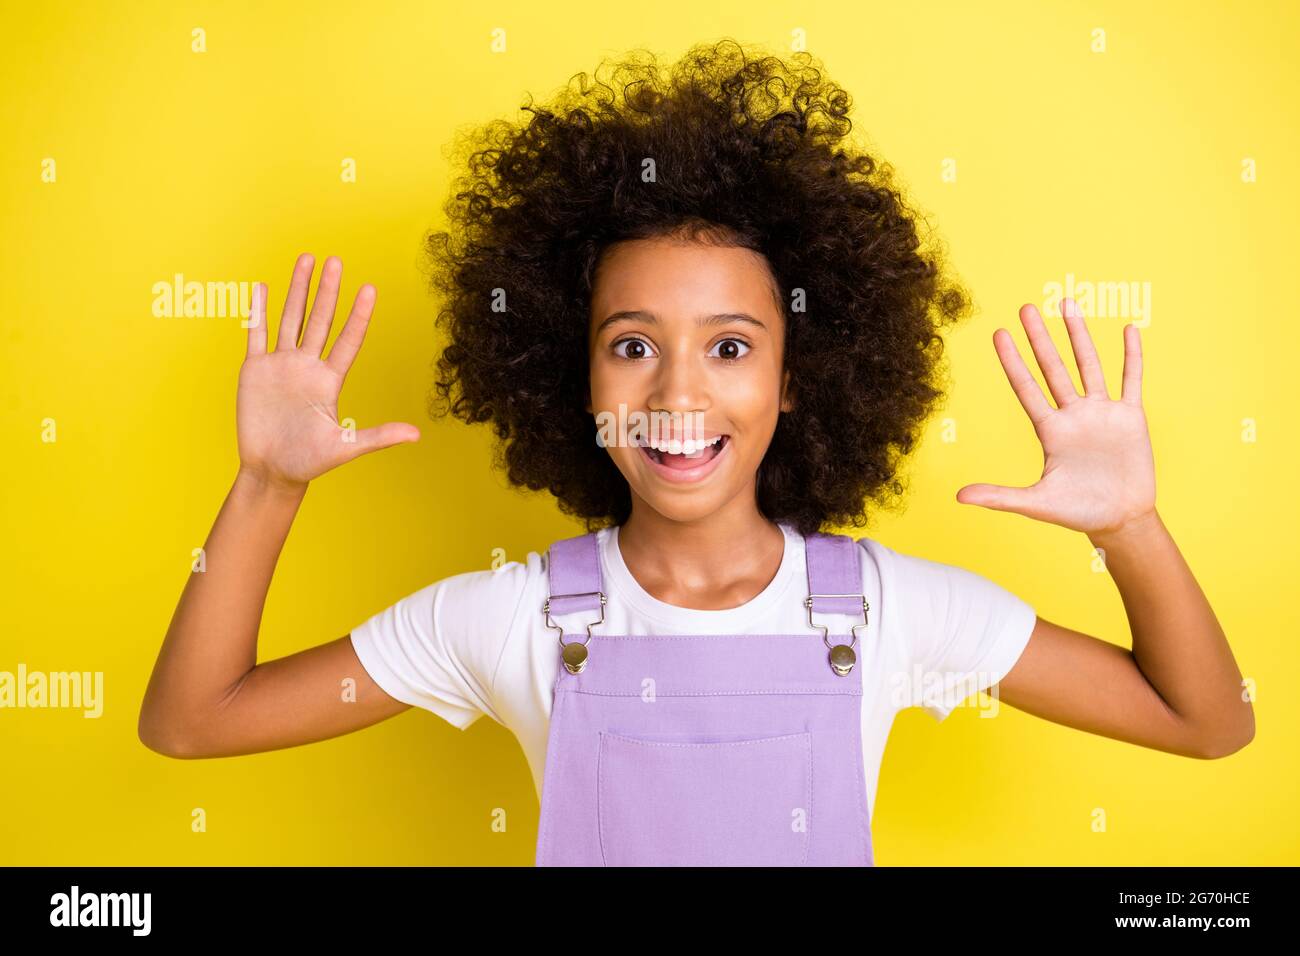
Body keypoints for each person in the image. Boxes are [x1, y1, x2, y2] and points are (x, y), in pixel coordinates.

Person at [139, 39, 1254, 866]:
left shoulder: (885, 610)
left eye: (729, 345)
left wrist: (1129, 529)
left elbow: (1205, 720)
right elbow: (192, 721)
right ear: (570, 375)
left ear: (795, 377)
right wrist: (266, 487)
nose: (676, 393)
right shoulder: (512, 616)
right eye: (631, 345)